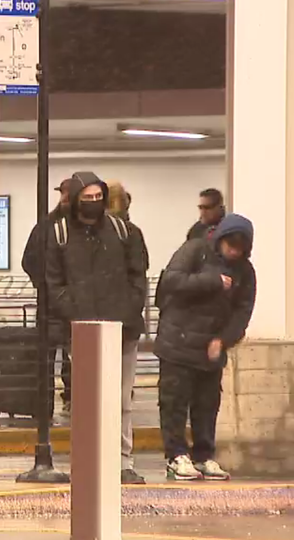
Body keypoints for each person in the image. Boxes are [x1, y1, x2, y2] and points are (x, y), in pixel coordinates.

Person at [45, 172, 149, 484]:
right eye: (86, 197)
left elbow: (138, 276)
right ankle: (89, 458)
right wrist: (74, 314)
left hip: (123, 329)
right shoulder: (59, 234)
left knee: (121, 400)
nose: (93, 203)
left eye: (97, 197)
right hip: (81, 331)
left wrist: (128, 311)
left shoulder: (124, 232)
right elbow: (53, 282)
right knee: (87, 400)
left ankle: (121, 461)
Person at [156, 213, 255, 482]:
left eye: (239, 249)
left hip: (211, 347)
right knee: (174, 402)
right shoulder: (194, 250)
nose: (233, 252)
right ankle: (176, 455)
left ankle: (203, 455)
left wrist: (223, 340)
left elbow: (242, 312)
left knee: (207, 404)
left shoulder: (245, 272)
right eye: (230, 246)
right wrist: (212, 281)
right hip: (178, 342)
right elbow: (171, 281)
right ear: (221, 239)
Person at [22, 179, 75, 413]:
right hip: (53, 304)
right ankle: (46, 406)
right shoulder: (47, 226)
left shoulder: (48, 225)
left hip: (62, 303)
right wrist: (45, 285)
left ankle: (64, 399)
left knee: (68, 356)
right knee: (49, 357)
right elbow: (29, 260)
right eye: (63, 194)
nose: (64, 198)